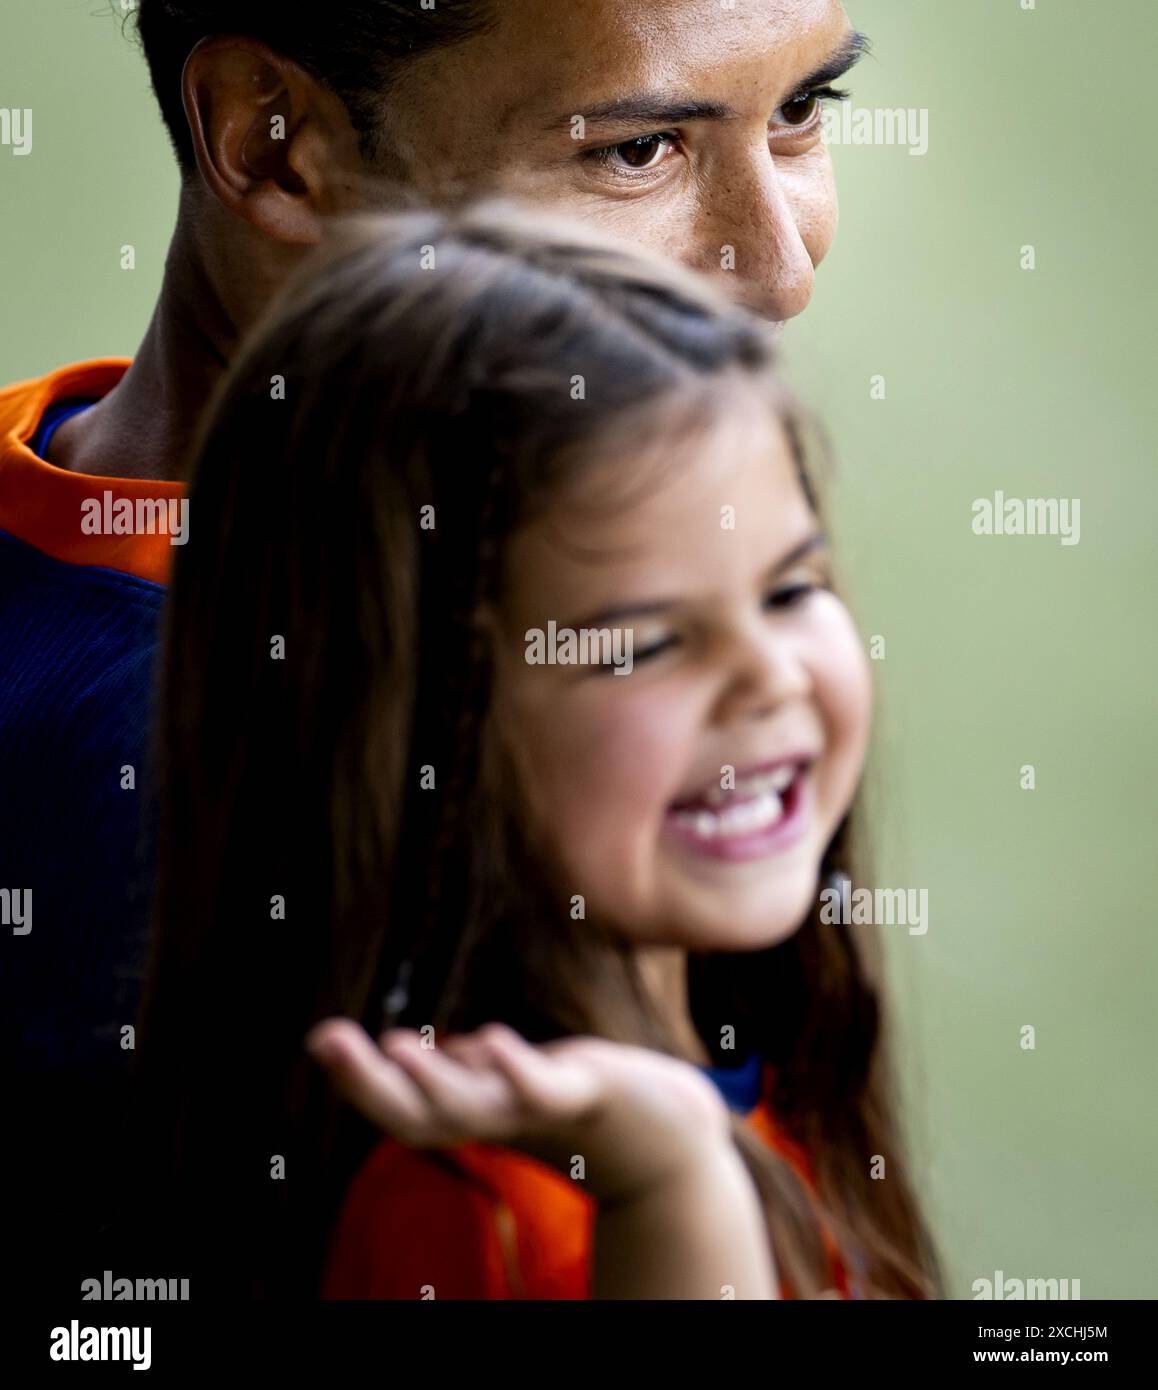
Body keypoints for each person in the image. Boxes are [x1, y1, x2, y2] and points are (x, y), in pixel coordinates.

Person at [0, 0, 870, 1293]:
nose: (779, 269)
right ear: (275, 141)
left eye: (800, 109)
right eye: (636, 150)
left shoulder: (56, 470)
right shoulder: (276, 784)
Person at [133, 201, 940, 1300]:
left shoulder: (757, 1044)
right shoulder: (474, 1214)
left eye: (791, 588)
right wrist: (675, 1191)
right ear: (409, 715)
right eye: (646, 642)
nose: (769, 675)